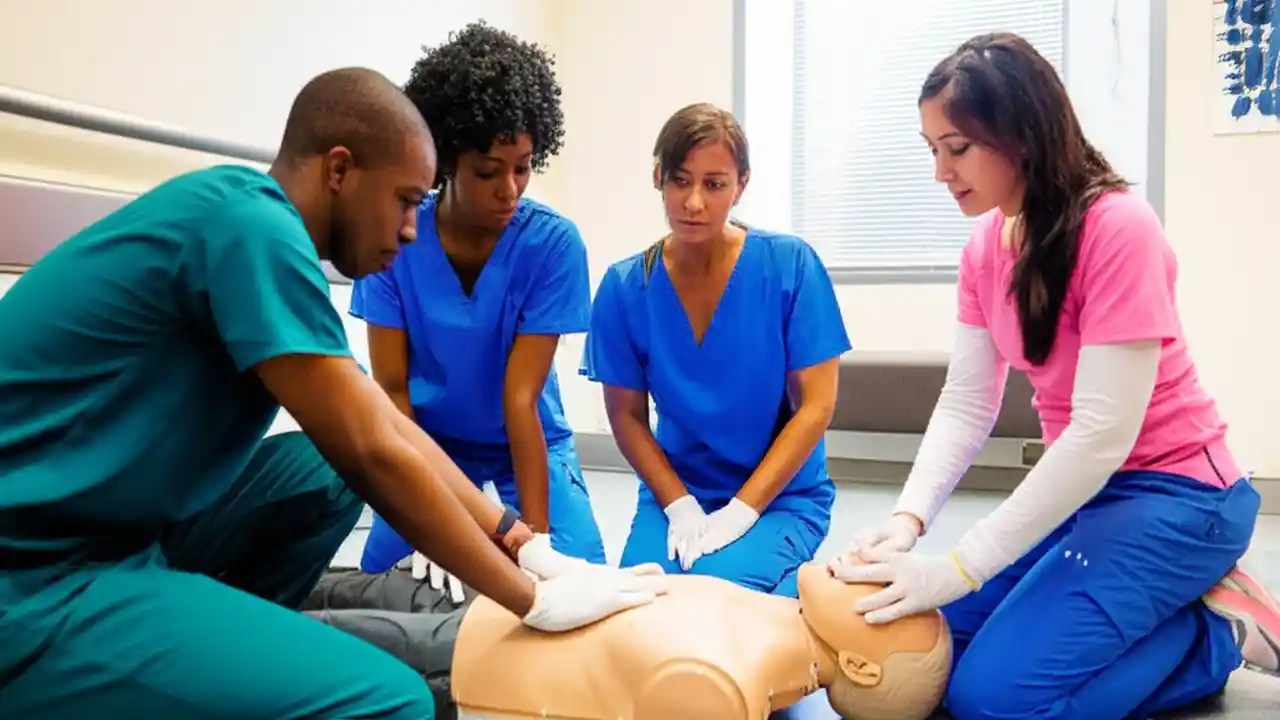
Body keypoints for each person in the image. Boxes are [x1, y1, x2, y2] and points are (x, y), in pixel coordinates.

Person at [0, 67, 666, 720]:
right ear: (339, 170)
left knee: (316, 473)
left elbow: (375, 419)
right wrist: (531, 600)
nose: (411, 229)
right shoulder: (251, 230)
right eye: (405, 200)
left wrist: (522, 543)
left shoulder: (248, 219)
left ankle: (227, 654)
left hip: (109, 528)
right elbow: (373, 450)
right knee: (392, 701)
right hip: (37, 576)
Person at [831, 32, 1280, 720]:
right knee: (933, 646)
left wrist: (959, 567)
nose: (940, 172)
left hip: (1181, 499)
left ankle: (1210, 635)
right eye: (932, 150)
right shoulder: (985, 249)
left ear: (1023, 136)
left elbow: (1100, 434)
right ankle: (1154, 611)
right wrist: (906, 521)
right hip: (1087, 496)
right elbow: (967, 402)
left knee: (993, 701)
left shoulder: (1119, 228)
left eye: (957, 148)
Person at [352, 21, 607, 583]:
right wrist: (429, 516)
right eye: (488, 172)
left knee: (578, 577)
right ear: (446, 161)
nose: (510, 189)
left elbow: (522, 399)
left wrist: (536, 543)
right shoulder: (397, 235)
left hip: (527, 446)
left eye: (523, 168)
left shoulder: (552, 244)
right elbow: (392, 392)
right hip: (428, 446)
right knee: (379, 584)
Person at [580, 103, 852, 598]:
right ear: (658, 178)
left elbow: (817, 406)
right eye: (680, 181)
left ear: (741, 185)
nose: (694, 202)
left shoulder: (789, 266)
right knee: (644, 599)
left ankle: (800, 594)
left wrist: (742, 511)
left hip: (781, 495)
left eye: (714, 184)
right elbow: (626, 417)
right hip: (677, 490)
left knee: (715, 594)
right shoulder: (625, 287)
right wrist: (678, 505)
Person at [304, 556, 952, 720]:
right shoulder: (772, 614)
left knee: (293, 638)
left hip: (465, 664)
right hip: (502, 606)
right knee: (312, 578)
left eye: (886, 599)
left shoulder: (724, 691)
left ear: (861, 669)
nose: (874, 570)